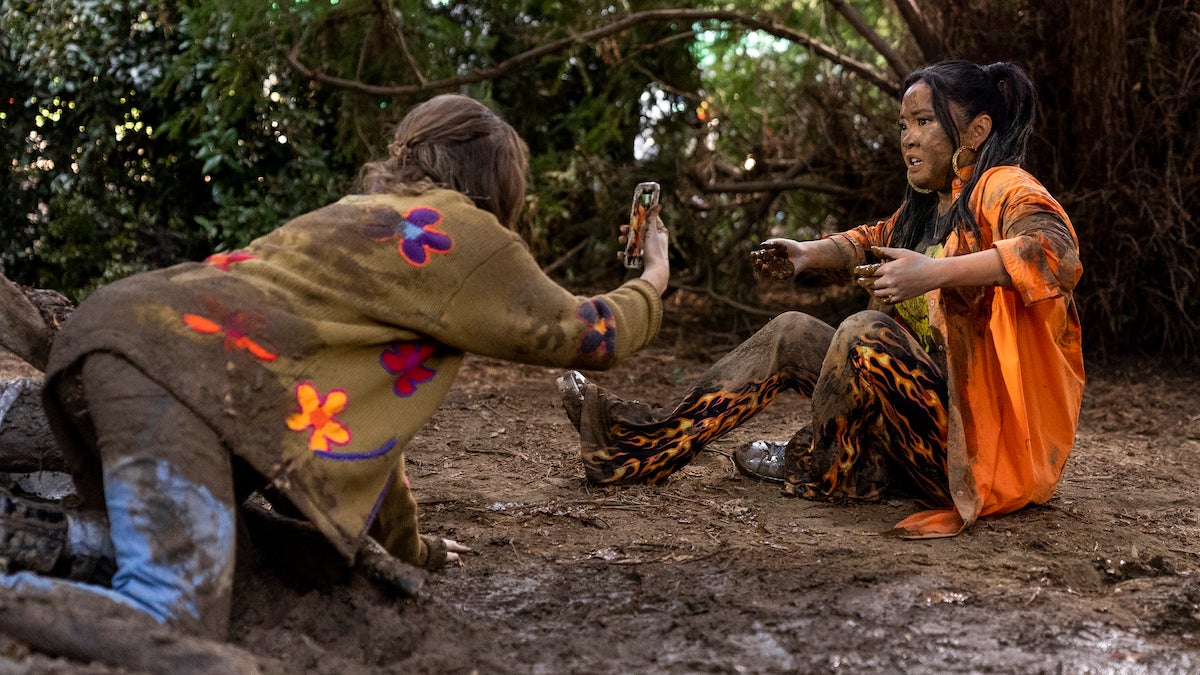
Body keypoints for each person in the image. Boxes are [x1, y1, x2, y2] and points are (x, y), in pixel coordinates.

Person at [0, 93, 670, 640]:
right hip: (180, 379)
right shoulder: (462, 234)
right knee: (171, 614)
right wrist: (655, 277)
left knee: (184, 538)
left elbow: (373, 445)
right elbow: (591, 335)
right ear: (498, 180)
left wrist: (414, 548)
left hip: (123, 338)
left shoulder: (360, 217)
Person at [559, 59, 1083, 539]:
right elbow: (872, 236)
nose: (908, 138)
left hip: (973, 454)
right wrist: (806, 254)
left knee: (864, 334)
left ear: (976, 131)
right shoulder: (930, 204)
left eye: (923, 122)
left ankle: (826, 466)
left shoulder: (1003, 186)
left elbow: (1055, 252)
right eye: (903, 125)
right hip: (914, 435)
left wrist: (934, 273)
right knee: (791, 330)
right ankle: (638, 450)